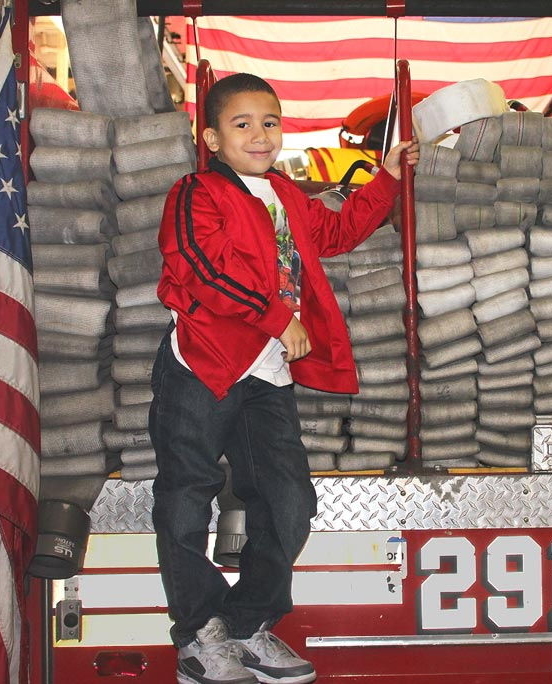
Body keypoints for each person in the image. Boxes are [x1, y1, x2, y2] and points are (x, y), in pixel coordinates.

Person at [149, 72, 418, 684]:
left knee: (290, 502)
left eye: (270, 122)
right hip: (202, 365)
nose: (259, 135)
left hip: (267, 376)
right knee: (186, 501)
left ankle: (245, 626)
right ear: (211, 138)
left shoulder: (286, 195)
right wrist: (276, 318)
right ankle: (198, 635)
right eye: (242, 124)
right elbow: (196, 267)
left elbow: (337, 233)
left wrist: (387, 177)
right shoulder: (195, 193)